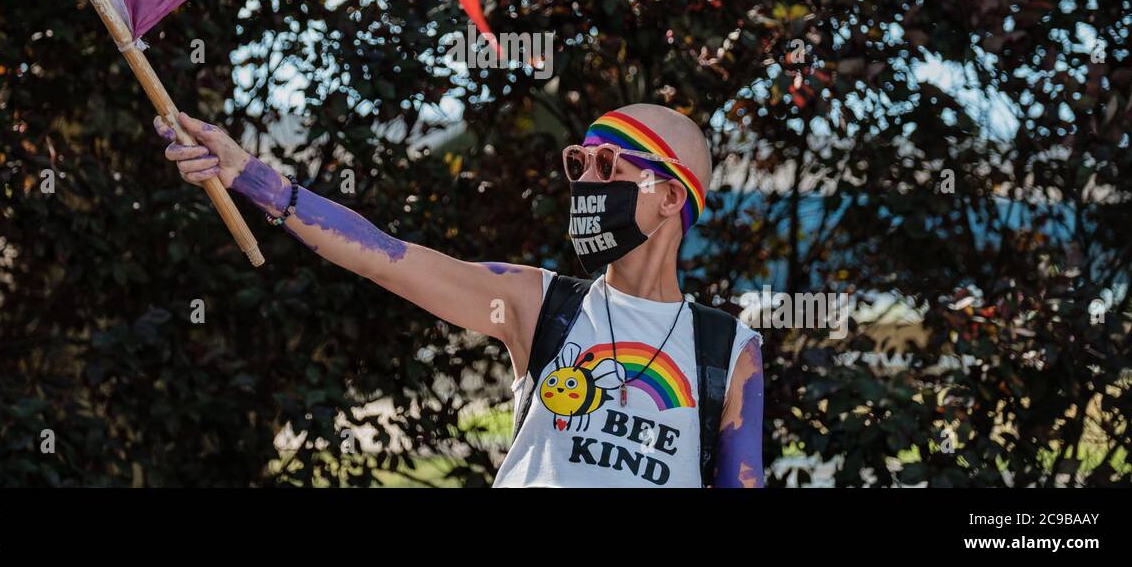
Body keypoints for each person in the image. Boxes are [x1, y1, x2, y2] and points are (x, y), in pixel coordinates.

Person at [154, 103, 763, 487]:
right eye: (576, 164)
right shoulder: (540, 303)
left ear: (671, 196)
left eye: (607, 166)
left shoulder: (727, 348)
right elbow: (385, 257)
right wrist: (252, 180)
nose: (583, 182)